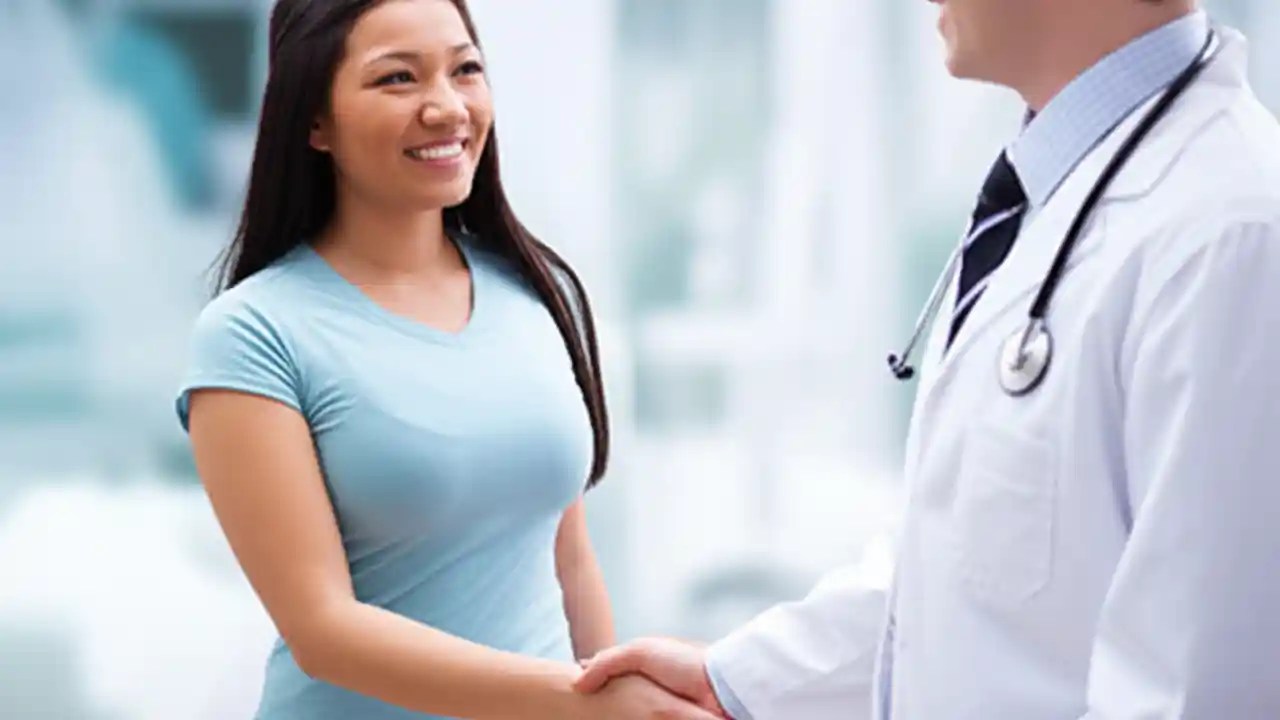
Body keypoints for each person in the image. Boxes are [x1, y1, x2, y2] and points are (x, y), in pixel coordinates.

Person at [576, 0, 1280, 718]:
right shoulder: (1054, 192)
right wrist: (737, 679)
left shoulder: (1231, 237)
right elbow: (966, 567)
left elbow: (1200, 694)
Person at [176, 1, 720, 718]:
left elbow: (568, 560)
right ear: (314, 121)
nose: (446, 107)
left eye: (465, 69)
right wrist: (584, 704)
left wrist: (605, 693)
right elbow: (323, 631)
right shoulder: (252, 335)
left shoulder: (532, 290)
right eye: (397, 79)